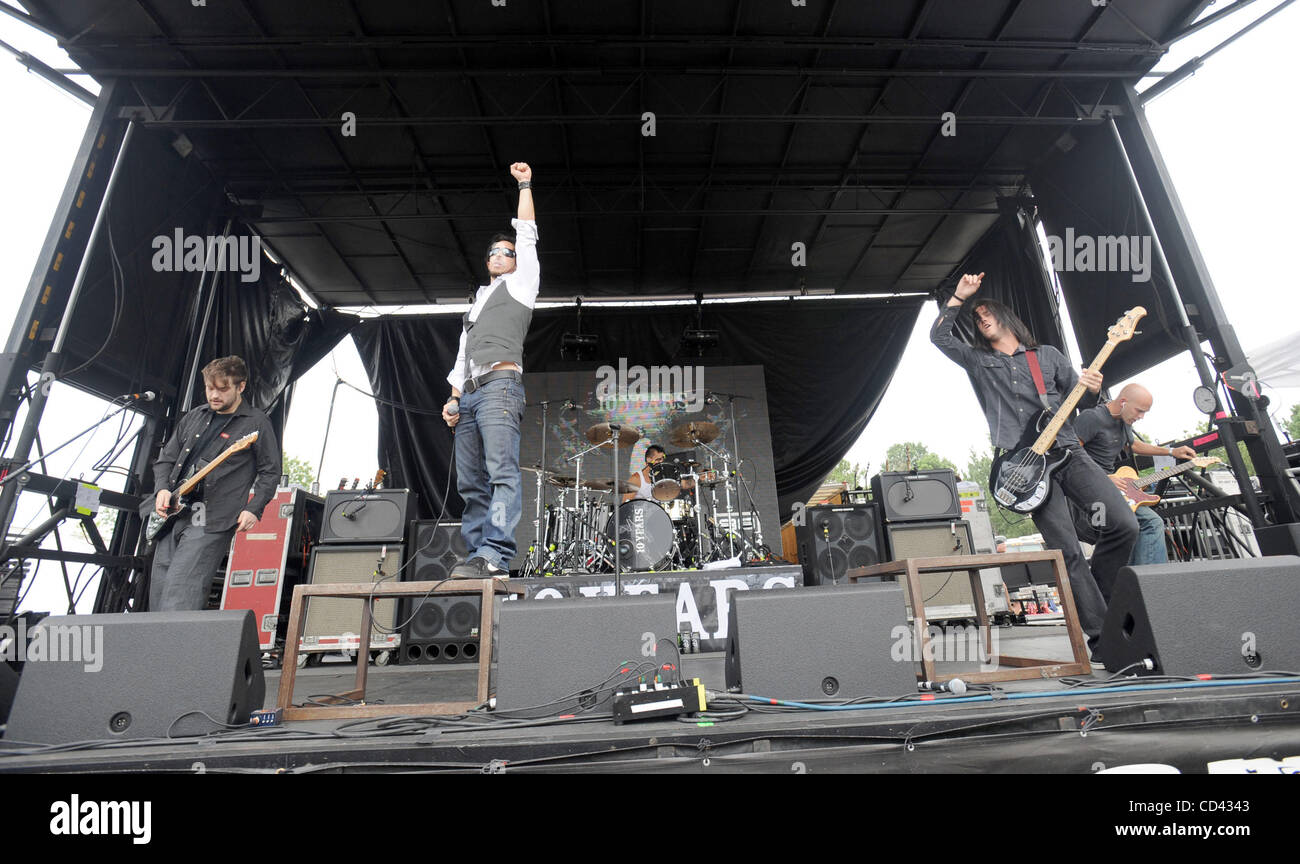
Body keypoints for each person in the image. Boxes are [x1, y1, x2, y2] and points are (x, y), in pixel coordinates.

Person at [931, 272, 1137, 663]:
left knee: (1123, 525)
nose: (982, 318)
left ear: (1007, 318)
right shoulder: (977, 360)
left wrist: (1090, 386)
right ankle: (1103, 639)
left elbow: (1073, 402)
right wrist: (959, 297)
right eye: (977, 318)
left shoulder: (1048, 357)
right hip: (1023, 465)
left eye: (987, 312)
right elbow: (940, 338)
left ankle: (1104, 596)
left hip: (1067, 450)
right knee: (1067, 553)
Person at [443, 163, 538, 578]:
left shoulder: (521, 284)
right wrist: (454, 397)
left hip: (500, 386)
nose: (501, 256)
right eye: (494, 252)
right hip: (471, 392)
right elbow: (463, 354)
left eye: (508, 252)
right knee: (469, 481)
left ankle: (496, 552)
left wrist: (524, 184)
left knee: (501, 472)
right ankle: (478, 553)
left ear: (517, 262)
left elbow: (528, 233)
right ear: (486, 262)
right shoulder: (477, 302)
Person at [147, 356, 280, 611]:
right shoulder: (196, 415)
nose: (214, 395)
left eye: (222, 389)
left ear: (240, 387)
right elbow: (166, 460)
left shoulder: (256, 423)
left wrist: (254, 508)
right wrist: (162, 488)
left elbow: (270, 471)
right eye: (210, 388)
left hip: (213, 517)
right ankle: (159, 648)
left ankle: (177, 649)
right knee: (160, 587)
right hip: (173, 513)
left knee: (181, 590)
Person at [1072, 383, 1197, 565]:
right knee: (1151, 523)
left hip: (1114, 490)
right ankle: (1151, 582)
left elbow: (1133, 444)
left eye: (1144, 412)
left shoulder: (1124, 421)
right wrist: (1103, 478)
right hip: (1090, 492)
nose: (1141, 417)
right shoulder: (1092, 418)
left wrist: (1171, 452)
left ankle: (1131, 584)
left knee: (1131, 532)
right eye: (1139, 411)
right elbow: (1071, 453)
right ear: (1123, 402)